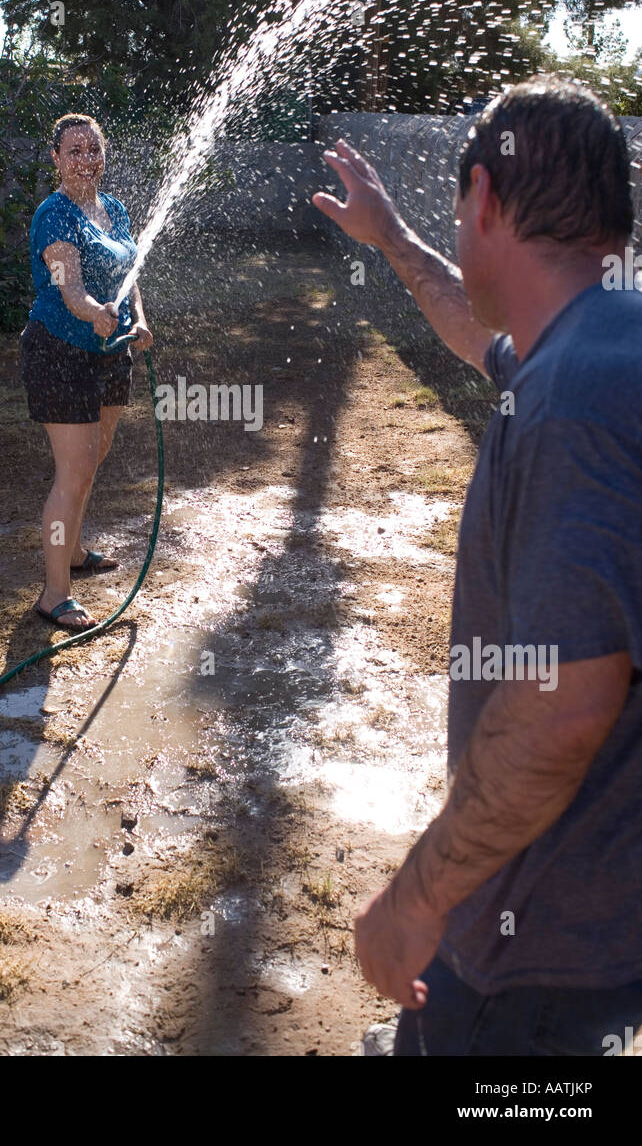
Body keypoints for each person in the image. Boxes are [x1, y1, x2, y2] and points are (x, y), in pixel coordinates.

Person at [313, 76, 642, 1056]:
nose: (455, 224)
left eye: (455, 208)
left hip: (534, 943)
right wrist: (393, 242)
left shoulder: (568, 407)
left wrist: (416, 899)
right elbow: (479, 336)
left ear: (486, 203)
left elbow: (561, 705)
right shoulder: (595, 343)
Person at [20, 113, 153, 634]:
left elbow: (129, 275)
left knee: (94, 457)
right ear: (55, 158)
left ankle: (73, 551)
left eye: (92, 149)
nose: (85, 159)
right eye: (73, 150)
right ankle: (54, 595)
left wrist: (137, 317)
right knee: (72, 473)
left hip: (109, 354)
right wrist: (93, 310)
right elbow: (69, 287)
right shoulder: (54, 215)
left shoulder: (113, 209)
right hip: (60, 353)